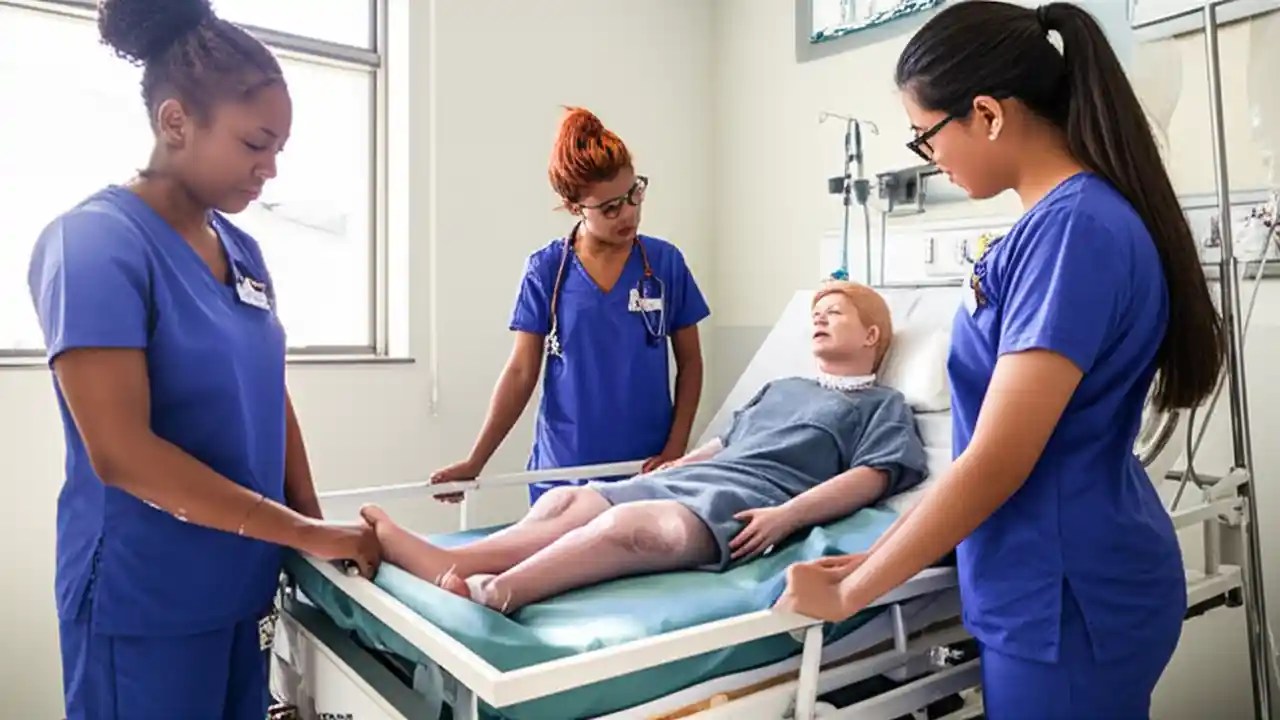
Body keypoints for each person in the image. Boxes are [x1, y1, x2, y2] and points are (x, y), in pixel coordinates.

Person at [774, 3, 1225, 719]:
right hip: (1051, 581)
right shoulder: (1055, 226)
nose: (933, 159)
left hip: (1068, 597)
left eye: (925, 136)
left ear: (985, 113)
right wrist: (871, 558)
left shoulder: (1072, 231)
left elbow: (999, 457)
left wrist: (852, 593)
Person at [26, 1, 381, 717]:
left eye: (279, 148)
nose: (269, 170)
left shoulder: (241, 251)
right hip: (146, 596)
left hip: (239, 582)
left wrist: (317, 536)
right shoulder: (95, 245)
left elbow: (267, 396)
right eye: (255, 144)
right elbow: (121, 453)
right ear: (175, 121)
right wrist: (305, 531)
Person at [362, 282, 929, 614]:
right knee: (570, 504)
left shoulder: (882, 407)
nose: (818, 321)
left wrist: (787, 516)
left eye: (833, 314)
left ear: (873, 335)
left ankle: (499, 591)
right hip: (698, 478)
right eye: (814, 314)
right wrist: (680, 464)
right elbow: (727, 442)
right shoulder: (783, 387)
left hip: (746, 499)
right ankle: (449, 562)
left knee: (631, 527)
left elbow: (874, 478)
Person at [430, 107, 711, 504]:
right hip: (563, 472)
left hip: (645, 472)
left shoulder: (665, 264)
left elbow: (692, 363)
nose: (628, 213)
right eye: (610, 208)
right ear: (575, 205)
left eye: (634, 195)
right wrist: (476, 461)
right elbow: (521, 371)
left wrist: (675, 449)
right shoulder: (546, 270)